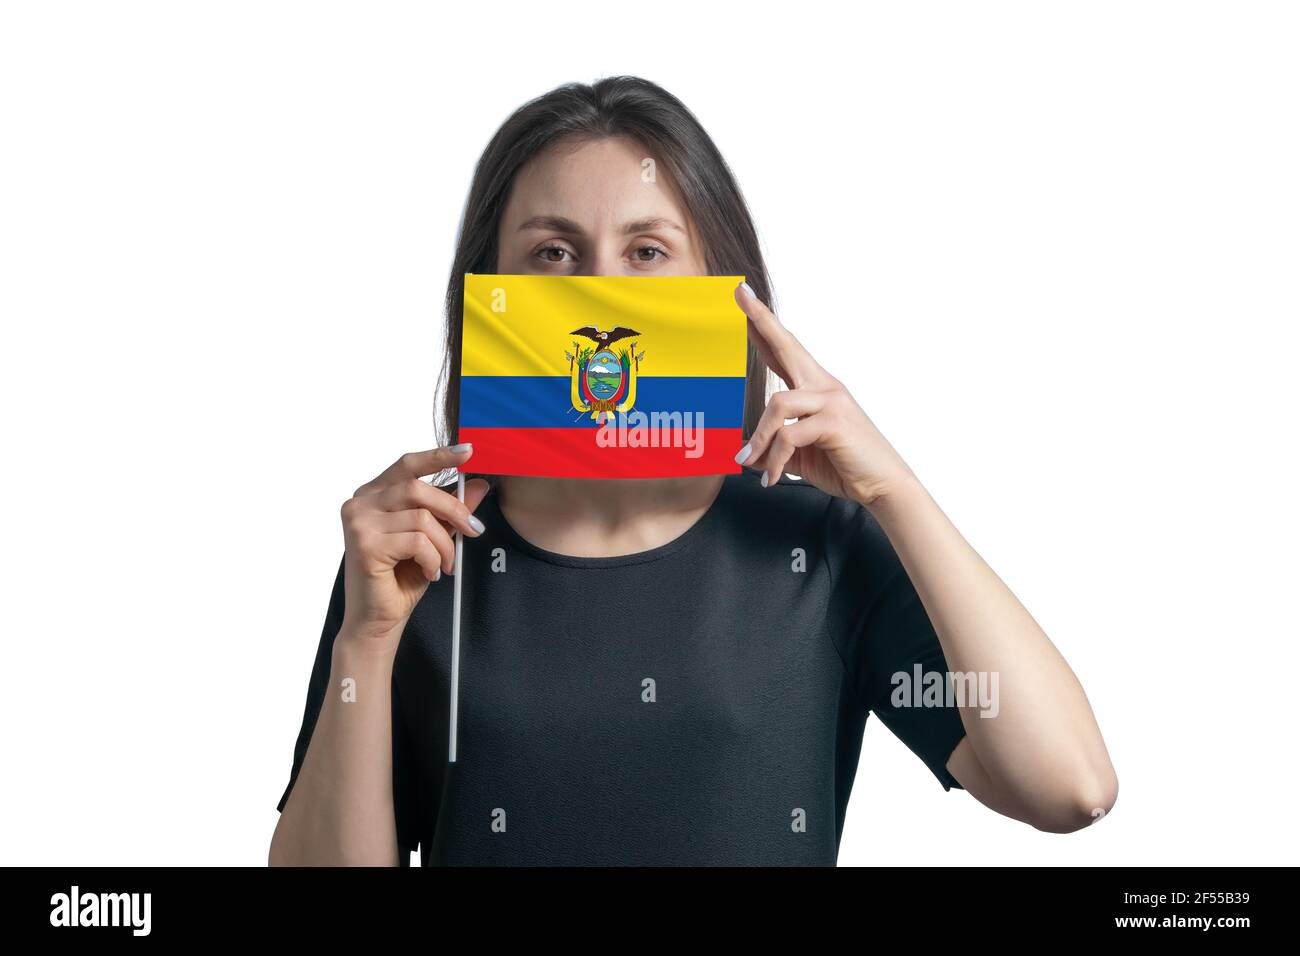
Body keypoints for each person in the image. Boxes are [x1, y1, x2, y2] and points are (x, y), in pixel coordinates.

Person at [268, 76, 1117, 866]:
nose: (601, 287)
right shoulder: (419, 553)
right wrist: (366, 643)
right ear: (488, 288)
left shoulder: (817, 544)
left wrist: (894, 491)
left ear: (720, 281)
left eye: (646, 251)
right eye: (555, 254)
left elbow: (1070, 788)